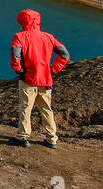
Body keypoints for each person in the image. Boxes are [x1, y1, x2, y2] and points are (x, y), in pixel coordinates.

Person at [9, 8, 69, 148]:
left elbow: (15, 54)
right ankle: (52, 139)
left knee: (26, 107)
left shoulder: (20, 36)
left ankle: (23, 137)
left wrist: (19, 70)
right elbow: (64, 55)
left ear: (24, 21)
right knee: (46, 108)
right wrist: (53, 69)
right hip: (46, 78)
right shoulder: (49, 37)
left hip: (29, 77)